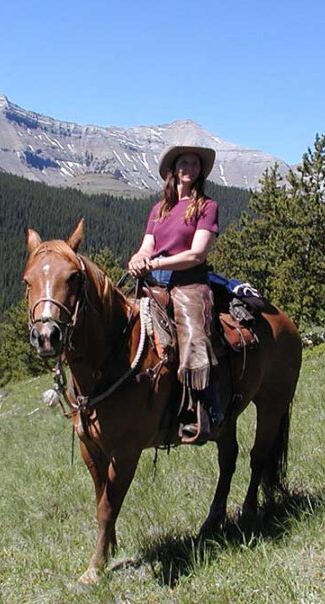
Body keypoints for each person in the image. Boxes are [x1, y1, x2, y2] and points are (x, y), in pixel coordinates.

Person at [128, 145, 221, 443]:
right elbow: (147, 245)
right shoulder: (159, 209)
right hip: (155, 282)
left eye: (195, 164)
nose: (189, 168)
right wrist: (138, 259)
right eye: (184, 163)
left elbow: (196, 254)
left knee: (194, 335)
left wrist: (156, 263)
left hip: (189, 282)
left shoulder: (207, 206)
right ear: (174, 170)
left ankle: (204, 410)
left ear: (200, 171)